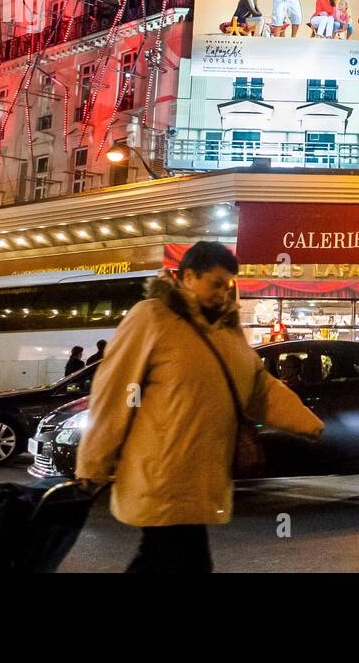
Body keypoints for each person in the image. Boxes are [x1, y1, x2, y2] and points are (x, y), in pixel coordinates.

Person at [76, 242, 324, 573]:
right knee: (175, 559)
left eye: (228, 285)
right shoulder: (152, 316)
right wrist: (93, 463)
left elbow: (258, 386)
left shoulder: (226, 330)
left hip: (203, 475)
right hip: (162, 475)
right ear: (188, 276)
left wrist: (307, 423)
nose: (224, 293)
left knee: (169, 560)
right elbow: (114, 392)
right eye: (216, 283)